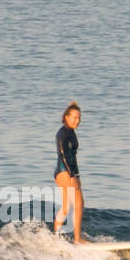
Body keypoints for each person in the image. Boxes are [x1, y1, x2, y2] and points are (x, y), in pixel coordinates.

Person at [53, 101, 85, 243]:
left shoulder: (71, 132)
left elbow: (73, 156)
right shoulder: (62, 133)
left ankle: (55, 235)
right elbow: (63, 155)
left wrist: (77, 175)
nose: (77, 120)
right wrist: (72, 176)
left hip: (65, 172)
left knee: (66, 208)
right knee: (79, 204)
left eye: (79, 118)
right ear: (66, 117)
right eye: (74, 117)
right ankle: (77, 239)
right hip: (65, 172)